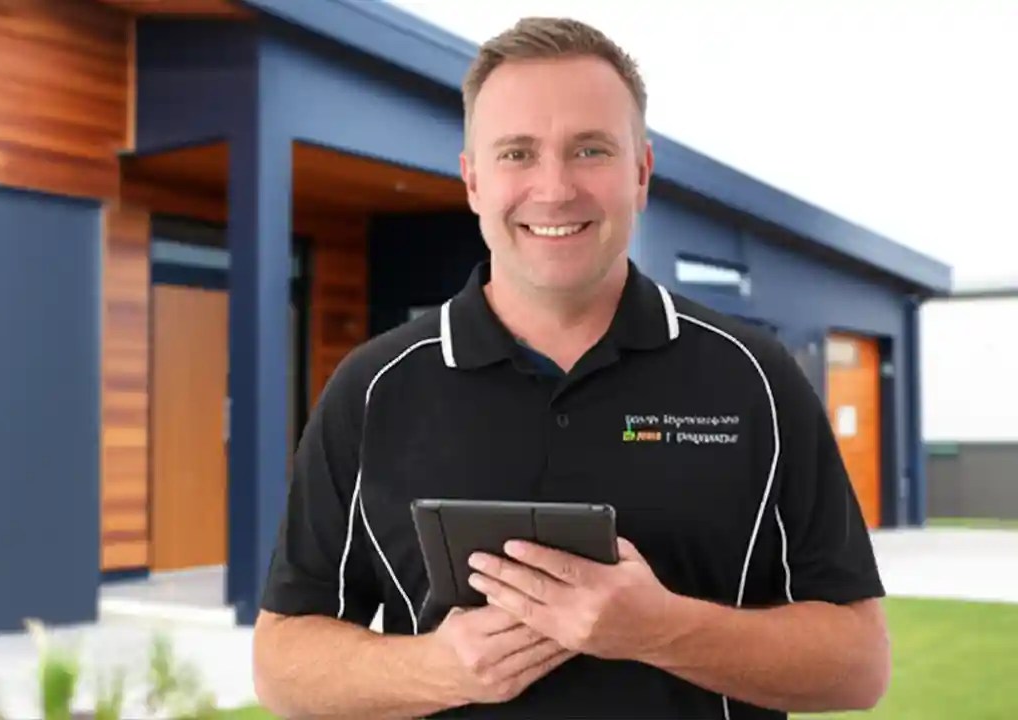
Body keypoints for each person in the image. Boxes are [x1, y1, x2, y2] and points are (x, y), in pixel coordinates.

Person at [251, 15, 891, 720]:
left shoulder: (756, 379)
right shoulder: (373, 390)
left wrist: (660, 631)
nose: (553, 189)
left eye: (589, 150)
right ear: (472, 181)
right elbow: (283, 665)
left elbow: (857, 667)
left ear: (641, 172)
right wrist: (436, 669)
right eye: (517, 153)